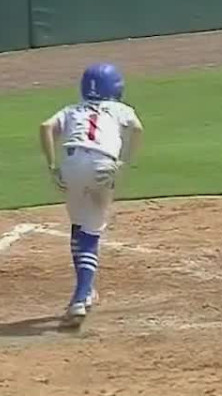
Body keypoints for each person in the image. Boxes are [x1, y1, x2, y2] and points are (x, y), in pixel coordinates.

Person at [38, 63, 144, 328]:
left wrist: (53, 167)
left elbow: (45, 127)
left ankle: (84, 292)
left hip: (71, 164)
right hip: (102, 166)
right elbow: (137, 129)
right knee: (92, 230)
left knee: (78, 226)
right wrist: (125, 164)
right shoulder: (121, 109)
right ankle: (81, 294)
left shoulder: (72, 109)